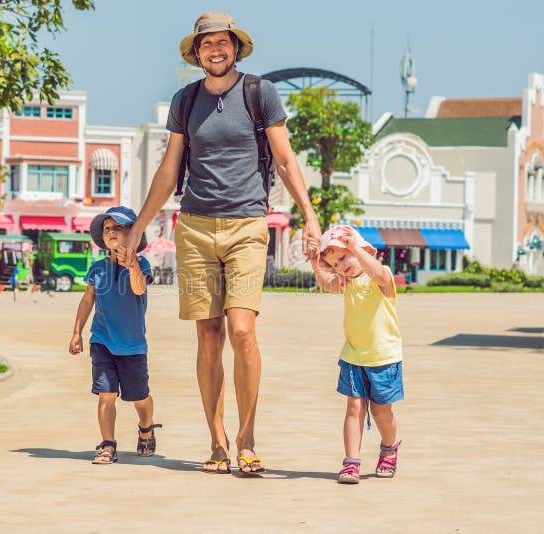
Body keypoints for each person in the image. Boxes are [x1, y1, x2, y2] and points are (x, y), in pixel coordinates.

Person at [123, 12, 321, 475]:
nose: (215, 50)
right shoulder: (186, 100)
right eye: (206, 44)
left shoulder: (259, 93)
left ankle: (247, 438)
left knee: (242, 330)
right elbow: (169, 170)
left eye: (222, 42)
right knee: (208, 337)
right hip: (194, 228)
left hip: (247, 225)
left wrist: (310, 217)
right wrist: (138, 228)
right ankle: (217, 441)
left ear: (235, 47)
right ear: (197, 53)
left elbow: (285, 159)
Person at [310, 225, 404, 484]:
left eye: (343, 258)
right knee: (354, 407)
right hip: (353, 355)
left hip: (383, 357)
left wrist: (353, 247)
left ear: (361, 248)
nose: (341, 267)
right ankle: (351, 462)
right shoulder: (346, 281)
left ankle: (389, 447)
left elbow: (380, 275)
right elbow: (327, 285)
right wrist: (315, 262)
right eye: (335, 264)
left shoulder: (381, 276)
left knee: (382, 412)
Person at [68, 206, 161, 465]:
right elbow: (87, 301)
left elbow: (138, 289)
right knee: (106, 394)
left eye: (118, 227)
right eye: (107, 228)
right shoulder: (97, 269)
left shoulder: (141, 264)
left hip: (132, 345)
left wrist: (131, 265)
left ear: (133, 234)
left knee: (139, 397)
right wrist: (77, 332)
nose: (111, 231)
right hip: (102, 341)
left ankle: (146, 427)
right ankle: (107, 444)